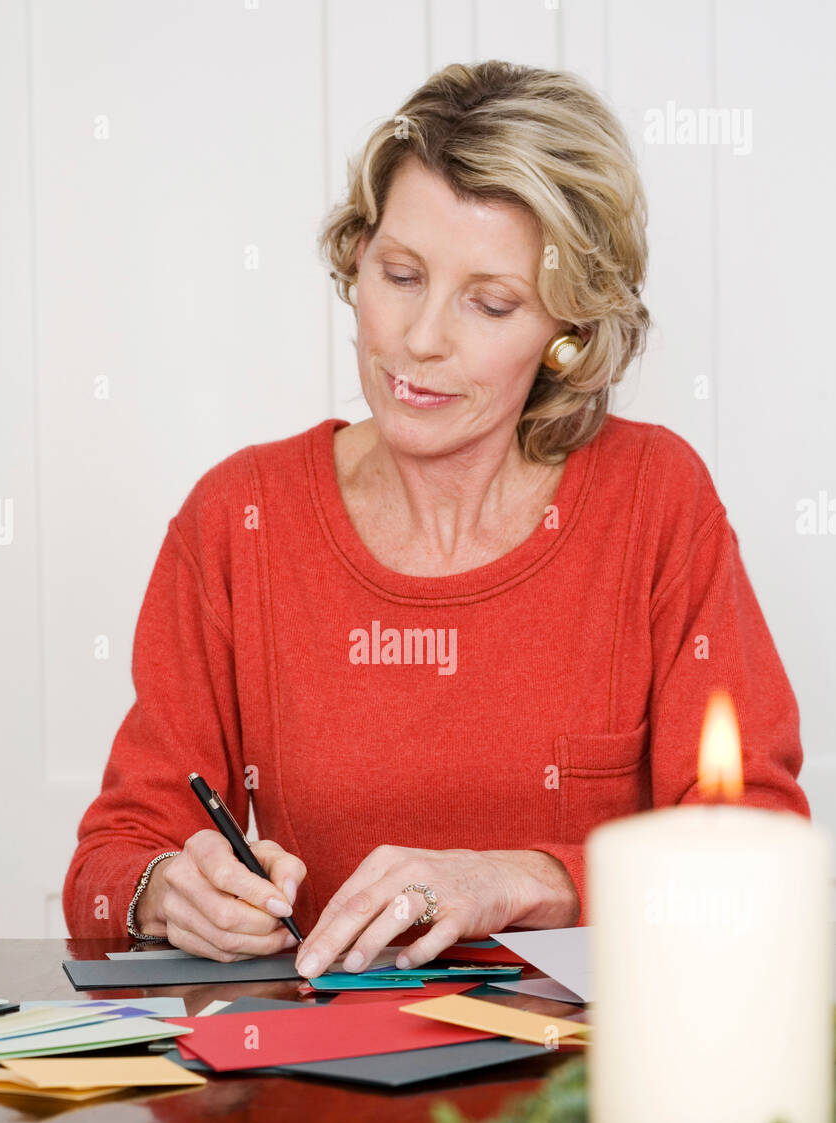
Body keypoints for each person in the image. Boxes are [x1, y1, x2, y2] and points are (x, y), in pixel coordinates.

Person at [62, 61, 809, 976]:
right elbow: (109, 862)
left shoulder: (656, 498)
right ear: (356, 261)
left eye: (490, 303)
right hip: (320, 1090)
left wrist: (529, 880)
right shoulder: (239, 517)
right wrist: (167, 887)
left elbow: (754, 849)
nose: (420, 340)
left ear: (568, 331)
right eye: (400, 274)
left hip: (584, 1094)